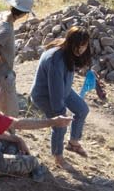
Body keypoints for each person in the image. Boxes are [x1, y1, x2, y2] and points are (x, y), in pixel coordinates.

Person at [0, 69, 69, 178]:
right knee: (33, 162)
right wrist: (53, 122)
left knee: (13, 143)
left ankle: (15, 159)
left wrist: (17, 139)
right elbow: (18, 124)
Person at [29, 26, 106, 159]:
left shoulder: (68, 52)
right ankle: (58, 157)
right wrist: (60, 113)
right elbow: (55, 92)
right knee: (60, 124)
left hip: (64, 88)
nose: (81, 50)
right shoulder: (55, 61)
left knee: (82, 110)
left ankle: (73, 143)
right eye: (78, 46)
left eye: (84, 46)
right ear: (71, 43)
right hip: (44, 94)